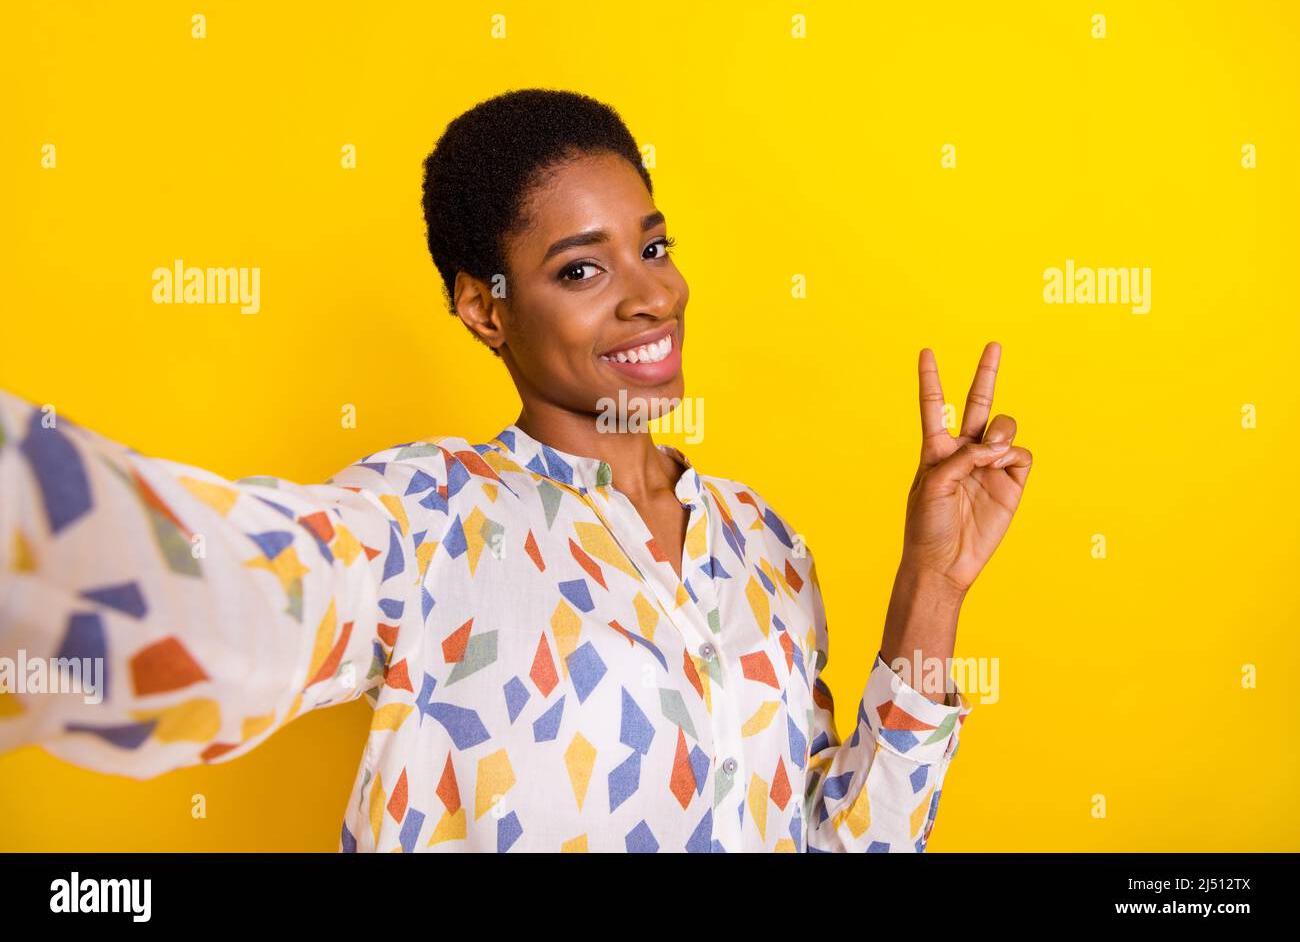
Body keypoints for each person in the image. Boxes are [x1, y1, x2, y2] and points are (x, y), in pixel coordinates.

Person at [0, 87, 1032, 852]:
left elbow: (845, 843)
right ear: (484, 308)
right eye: (581, 268)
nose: (650, 296)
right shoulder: (425, 515)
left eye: (653, 244)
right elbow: (223, 602)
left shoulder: (765, 545)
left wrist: (929, 587)